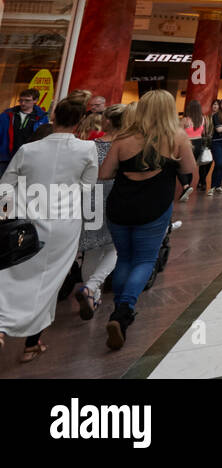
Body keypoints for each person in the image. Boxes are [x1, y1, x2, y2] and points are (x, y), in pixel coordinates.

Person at [0, 98, 98, 362]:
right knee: (49, 281)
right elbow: (88, 188)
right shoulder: (87, 149)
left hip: (26, 220)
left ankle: (1, 327)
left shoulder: (28, 150)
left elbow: (5, 188)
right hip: (65, 224)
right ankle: (31, 345)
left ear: (53, 116)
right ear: (79, 122)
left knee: (12, 274)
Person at [100, 89, 197, 350]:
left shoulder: (123, 138)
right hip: (153, 209)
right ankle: (123, 311)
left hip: (120, 206)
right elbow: (189, 172)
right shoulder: (176, 137)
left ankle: (119, 311)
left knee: (124, 258)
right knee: (144, 259)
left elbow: (105, 173)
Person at [73, 103, 132, 321]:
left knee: (91, 248)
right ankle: (92, 286)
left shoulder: (91, 146)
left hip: (91, 198)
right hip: (116, 199)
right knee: (114, 248)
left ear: (107, 121)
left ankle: (94, 296)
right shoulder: (126, 146)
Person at [0, 89, 49, 177]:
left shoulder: (42, 118)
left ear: (35, 101)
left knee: (21, 186)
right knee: (3, 183)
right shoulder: (7, 115)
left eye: (27, 100)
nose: (23, 103)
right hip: (6, 157)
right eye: (21, 100)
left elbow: (43, 139)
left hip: (28, 159)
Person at [181, 100, 206, 201]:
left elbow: (178, 133)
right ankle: (187, 188)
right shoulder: (202, 119)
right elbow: (203, 132)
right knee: (191, 166)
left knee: (182, 166)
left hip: (188, 143)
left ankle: (185, 187)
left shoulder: (185, 120)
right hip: (198, 143)